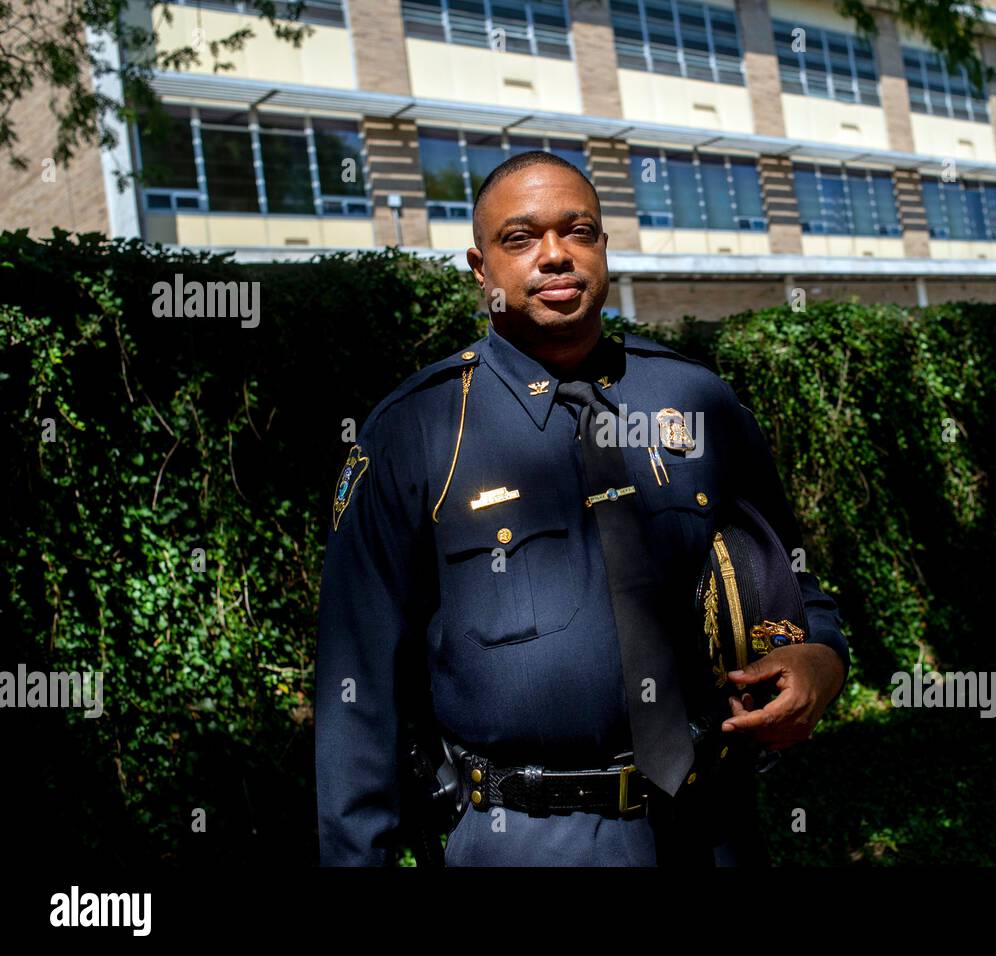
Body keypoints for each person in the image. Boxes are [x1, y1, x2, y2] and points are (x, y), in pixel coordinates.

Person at [315, 150, 850, 866]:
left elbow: (791, 575)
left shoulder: (695, 401)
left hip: (710, 829)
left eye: (580, 231)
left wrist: (822, 658)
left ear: (603, 246)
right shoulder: (417, 431)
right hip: (523, 842)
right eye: (520, 238)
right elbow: (357, 695)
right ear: (481, 270)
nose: (555, 255)